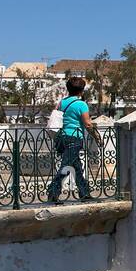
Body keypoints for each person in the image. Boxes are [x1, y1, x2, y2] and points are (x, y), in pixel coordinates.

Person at [47, 76, 102, 204]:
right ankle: (53, 191)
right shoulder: (81, 104)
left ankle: (84, 193)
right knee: (66, 166)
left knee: (77, 167)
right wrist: (97, 137)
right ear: (81, 90)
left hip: (62, 137)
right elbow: (88, 124)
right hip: (75, 137)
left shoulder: (62, 102)